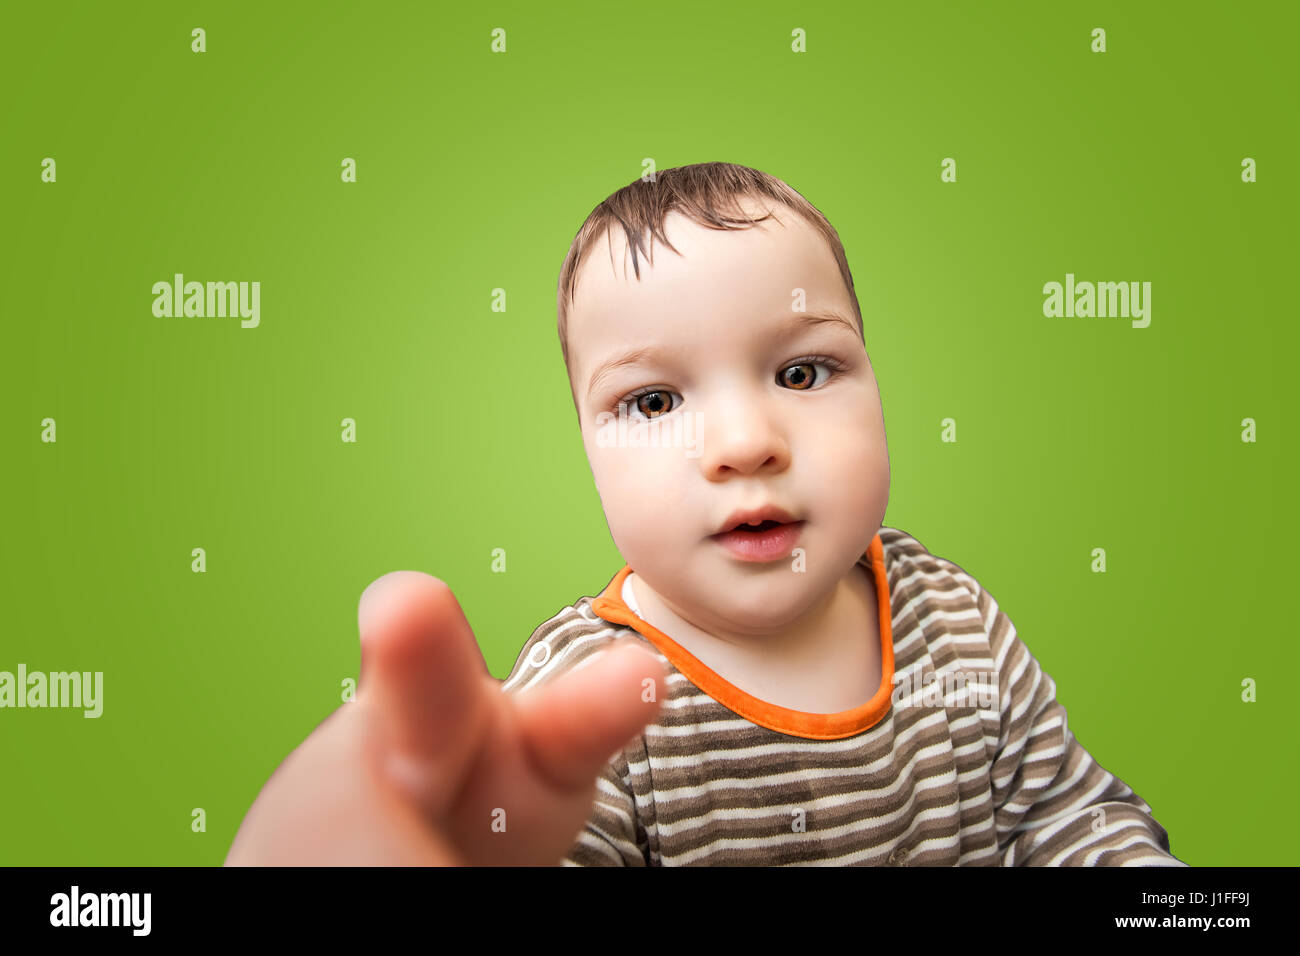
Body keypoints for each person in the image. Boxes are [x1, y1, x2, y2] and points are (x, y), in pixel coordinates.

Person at [227, 162, 1185, 866]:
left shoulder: (956, 619)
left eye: (802, 372)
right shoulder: (589, 704)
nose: (743, 442)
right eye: (652, 402)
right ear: (586, 451)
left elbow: (1073, 820)